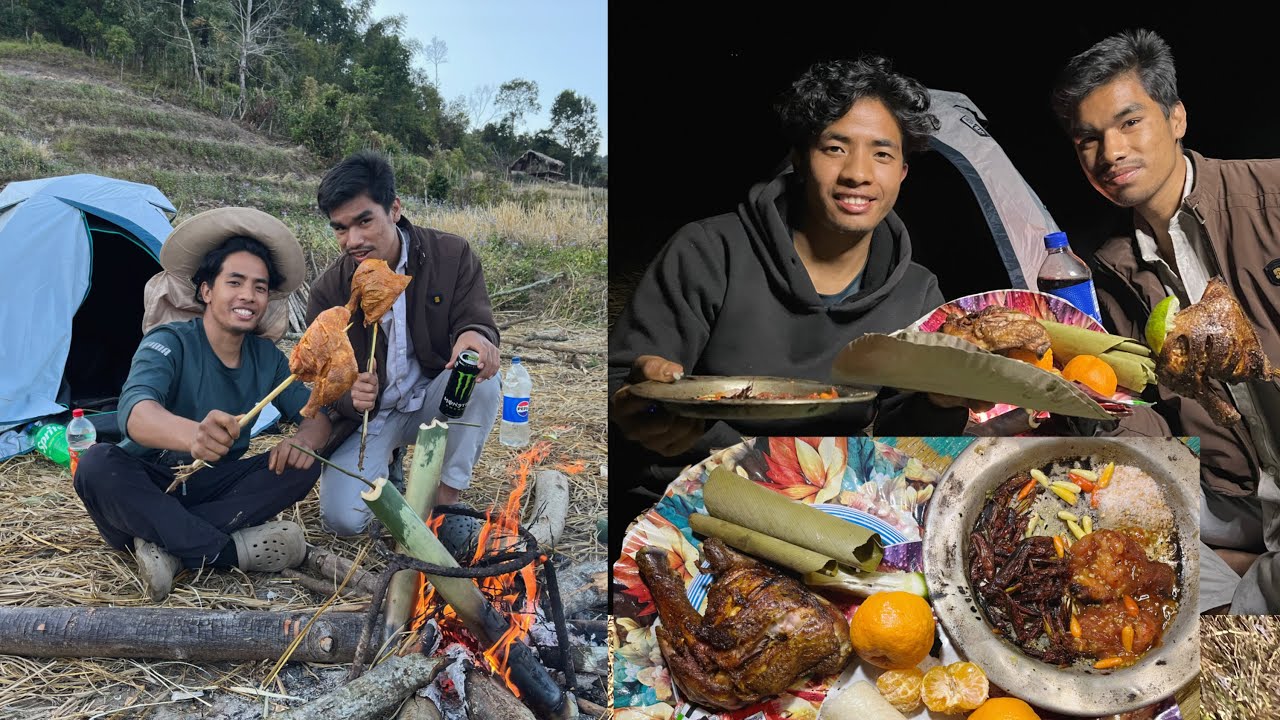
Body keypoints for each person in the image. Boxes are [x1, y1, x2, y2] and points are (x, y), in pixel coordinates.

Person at [609, 56, 977, 496]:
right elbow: (623, 383)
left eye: (882, 154)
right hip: (694, 491)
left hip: (830, 497)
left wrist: (939, 402)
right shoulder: (708, 251)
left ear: (901, 173)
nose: (858, 174)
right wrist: (642, 411)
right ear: (800, 159)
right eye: (835, 148)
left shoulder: (917, 293)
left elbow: (904, 444)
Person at [1050, 28, 1280, 613]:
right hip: (1230, 496)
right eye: (1088, 139)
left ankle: (1244, 593)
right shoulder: (1111, 268)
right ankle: (1237, 584)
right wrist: (1094, 410)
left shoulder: (1272, 195)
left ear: (1176, 118)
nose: (1110, 153)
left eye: (1130, 122)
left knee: (1240, 630)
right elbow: (1151, 407)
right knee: (1087, 503)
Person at [73, 207, 330, 601]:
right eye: (235, 282)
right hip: (147, 483)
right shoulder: (169, 342)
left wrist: (304, 440)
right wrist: (193, 435)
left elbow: (317, 415)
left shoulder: (268, 359)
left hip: (213, 487)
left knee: (303, 463)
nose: (248, 296)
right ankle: (228, 552)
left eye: (260, 287)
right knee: (95, 465)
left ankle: (167, 546)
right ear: (207, 290)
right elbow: (135, 411)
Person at [307, 150, 501, 537]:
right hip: (371, 419)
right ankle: (389, 463)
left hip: (431, 398)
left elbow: (475, 319)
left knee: (479, 380)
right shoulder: (329, 291)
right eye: (341, 228)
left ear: (394, 209)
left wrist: (475, 337)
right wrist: (350, 397)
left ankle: (445, 504)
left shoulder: (450, 255)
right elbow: (323, 382)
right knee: (343, 521)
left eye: (364, 221)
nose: (353, 240)